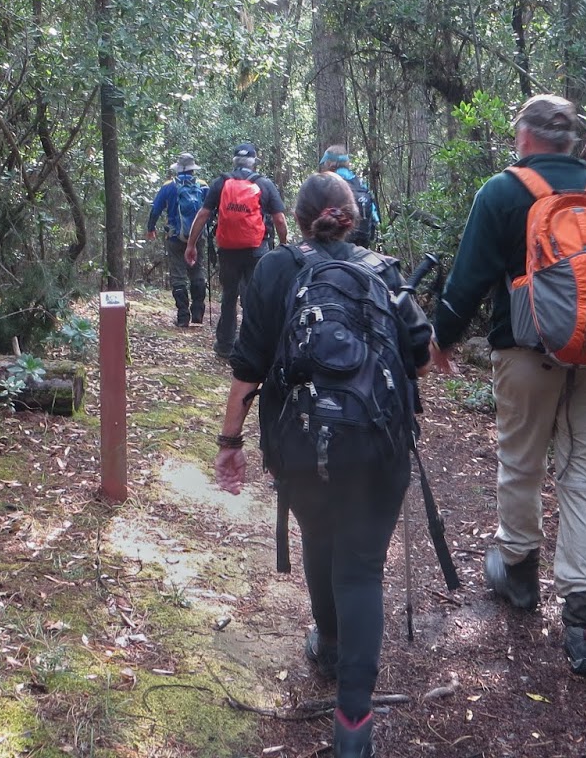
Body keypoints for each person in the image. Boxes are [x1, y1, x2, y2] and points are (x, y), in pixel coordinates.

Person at [212, 173, 434, 758]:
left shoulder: (275, 269)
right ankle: (354, 724)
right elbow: (419, 357)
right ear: (352, 216)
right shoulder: (384, 269)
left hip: (301, 443)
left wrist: (229, 440)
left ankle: (329, 643)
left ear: (302, 217)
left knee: (319, 535)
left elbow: (248, 366)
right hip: (377, 445)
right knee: (361, 567)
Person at [429, 93, 586, 677]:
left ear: (525, 136)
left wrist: (440, 342)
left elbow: (468, 279)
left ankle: (519, 572)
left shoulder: (502, 192)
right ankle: (584, 614)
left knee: (521, 460)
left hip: (524, 351)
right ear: (573, 140)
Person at [184, 143, 287, 360]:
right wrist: (284, 246)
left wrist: (191, 244)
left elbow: (203, 214)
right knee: (254, 297)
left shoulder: (221, 184)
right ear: (254, 161)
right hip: (257, 250)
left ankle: (225, 345)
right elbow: (279, 219)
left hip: (228, 249)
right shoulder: (265, 184)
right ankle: (252, 347)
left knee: (229, 296)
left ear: (234, 161)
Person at [146, 152, 208, 327]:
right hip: (197, 238)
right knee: (197, 271)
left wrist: (151, 228)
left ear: (178, 168)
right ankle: (198, 314)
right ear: (193, 169)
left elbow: (156, 209)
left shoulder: (169, 186)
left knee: (178, 275)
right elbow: (210, 211)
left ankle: (182, 317)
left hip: (174, 237)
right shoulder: (203, 186)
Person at [319, 145, 380, 247]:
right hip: (362, 243)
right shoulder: (359, 182)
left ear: (330, 164)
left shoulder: (329, 181)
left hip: (337, 243)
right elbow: (375, 218)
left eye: (325, 163)